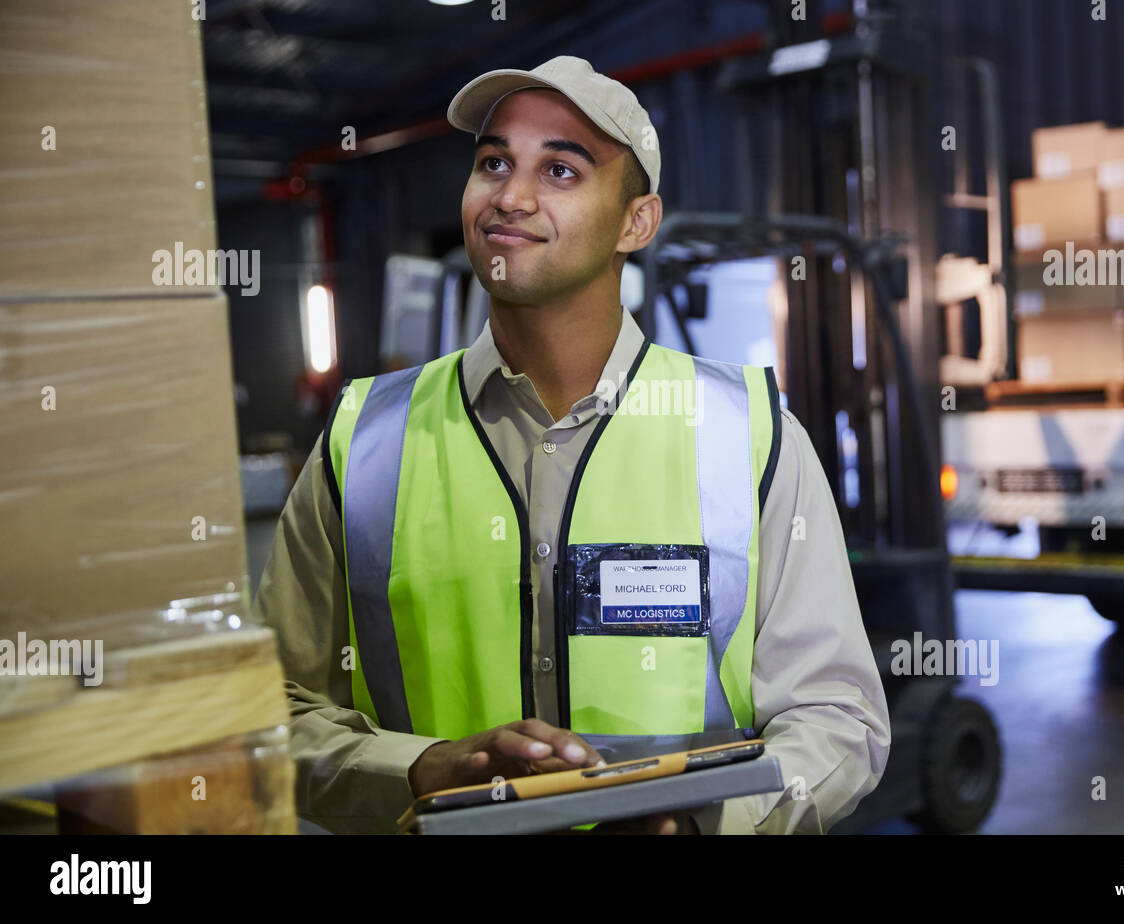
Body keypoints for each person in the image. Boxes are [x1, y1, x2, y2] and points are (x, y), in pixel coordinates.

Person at [254, 56, 889, 835]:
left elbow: (838, 713)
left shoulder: (749, 436)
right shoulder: (366, 441)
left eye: (560, 169)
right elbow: (269, 714)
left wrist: (702, 821)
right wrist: (420, 772)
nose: (510, 197)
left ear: (637, 223)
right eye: (493, 163)